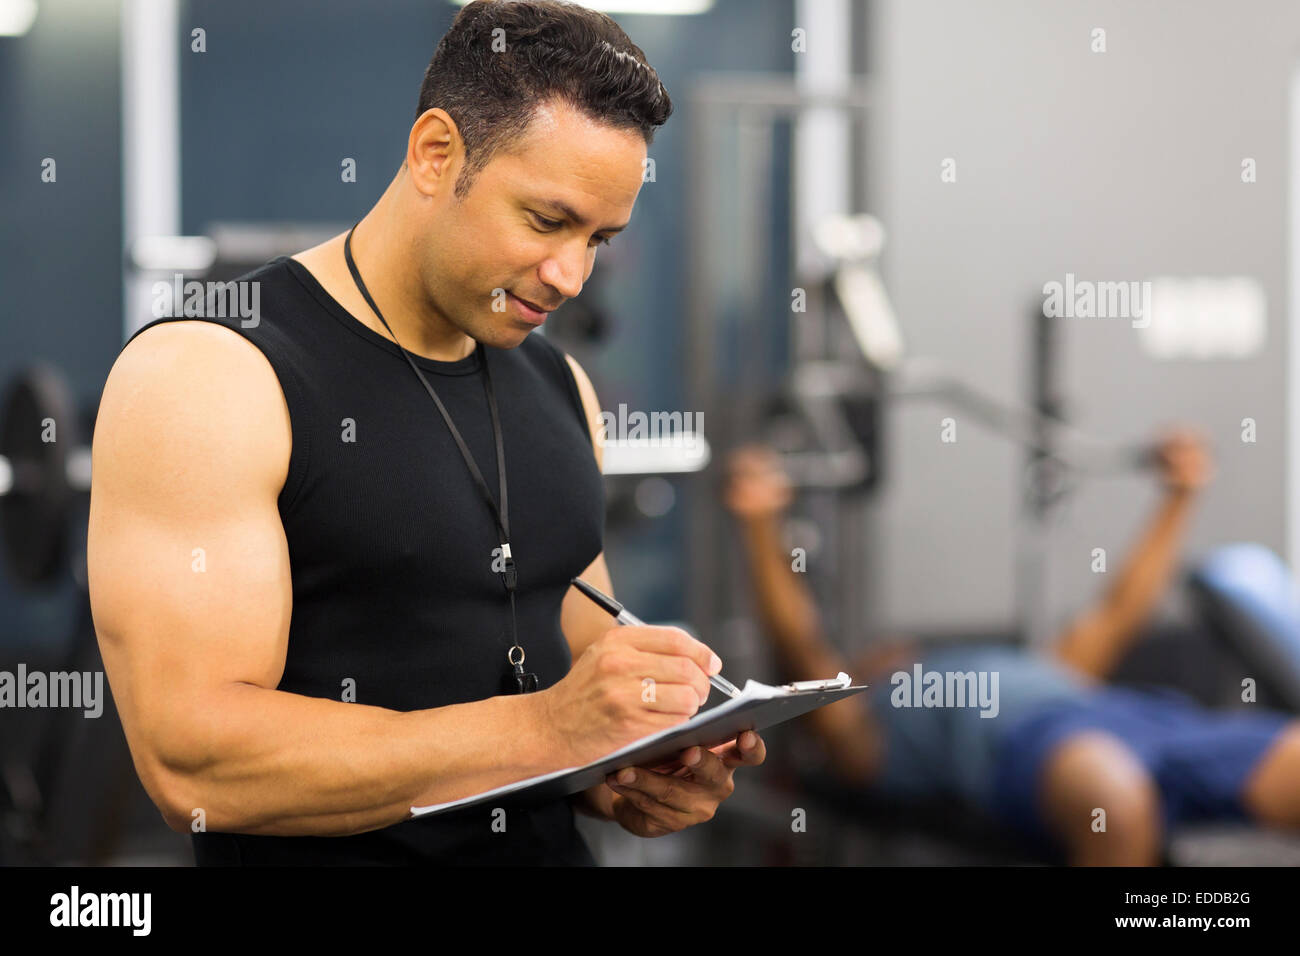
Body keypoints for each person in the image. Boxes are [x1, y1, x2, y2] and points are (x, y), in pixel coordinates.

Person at [87, 0, 763, 867]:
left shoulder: (563, 387)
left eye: (600, 238)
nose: (570, 275)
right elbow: (196, 764)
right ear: (437, 153)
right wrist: (547, 726)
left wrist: (644, 761)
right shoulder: (212, 376)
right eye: (547, 220)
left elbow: (568, 707)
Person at [723, 433, 1300, 865]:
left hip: (1147, 719)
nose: (894, 646)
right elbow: (798, 642)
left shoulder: (1051, 669)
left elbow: (1121, 607)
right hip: (1040, 752)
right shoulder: (862, 727)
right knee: (1115, 801)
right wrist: (760, 524)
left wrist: (1180, 496)